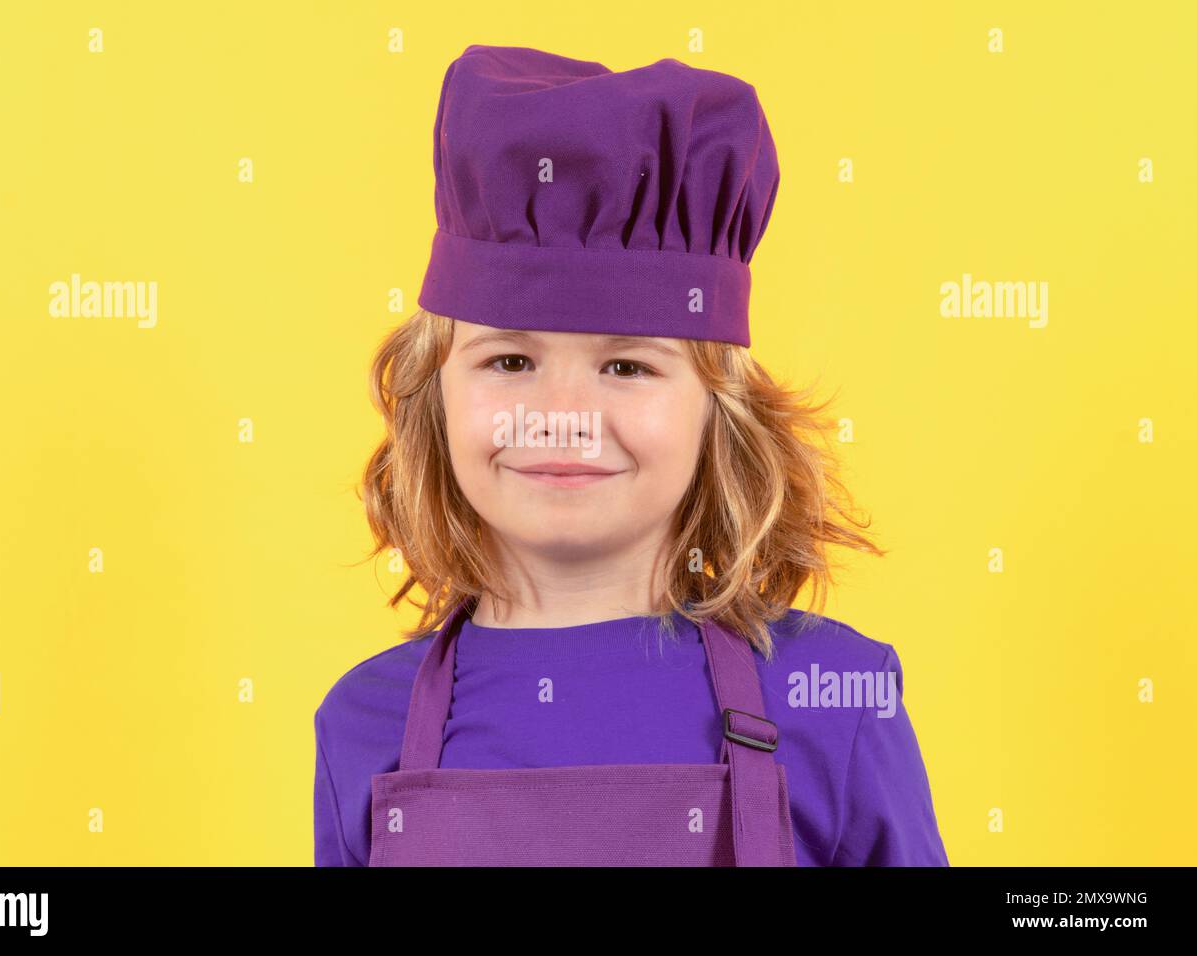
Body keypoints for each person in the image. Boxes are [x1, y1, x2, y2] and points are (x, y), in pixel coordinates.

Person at [315, 44, 948, 866]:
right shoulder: (365, 722)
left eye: (627, 367)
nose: (563, 417)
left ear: (718, 410)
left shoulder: (839, 699)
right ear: (434, 393)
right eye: (510, 361)